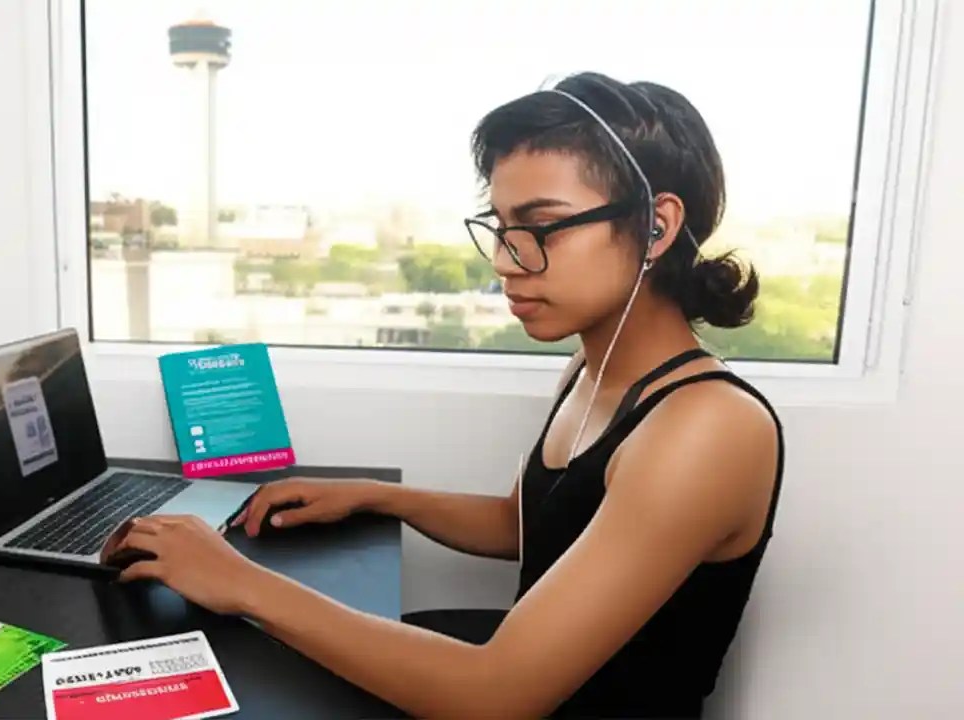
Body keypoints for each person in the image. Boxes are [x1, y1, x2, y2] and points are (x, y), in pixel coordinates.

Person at [112, 71, 784, 719]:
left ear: (657, 227)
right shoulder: (590, 369)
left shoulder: (708, 426)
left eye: (542, 228)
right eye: (502, 227)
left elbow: (494, 697)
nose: (504, 261)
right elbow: (530, 525)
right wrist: (378, 497)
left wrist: (239, 583)